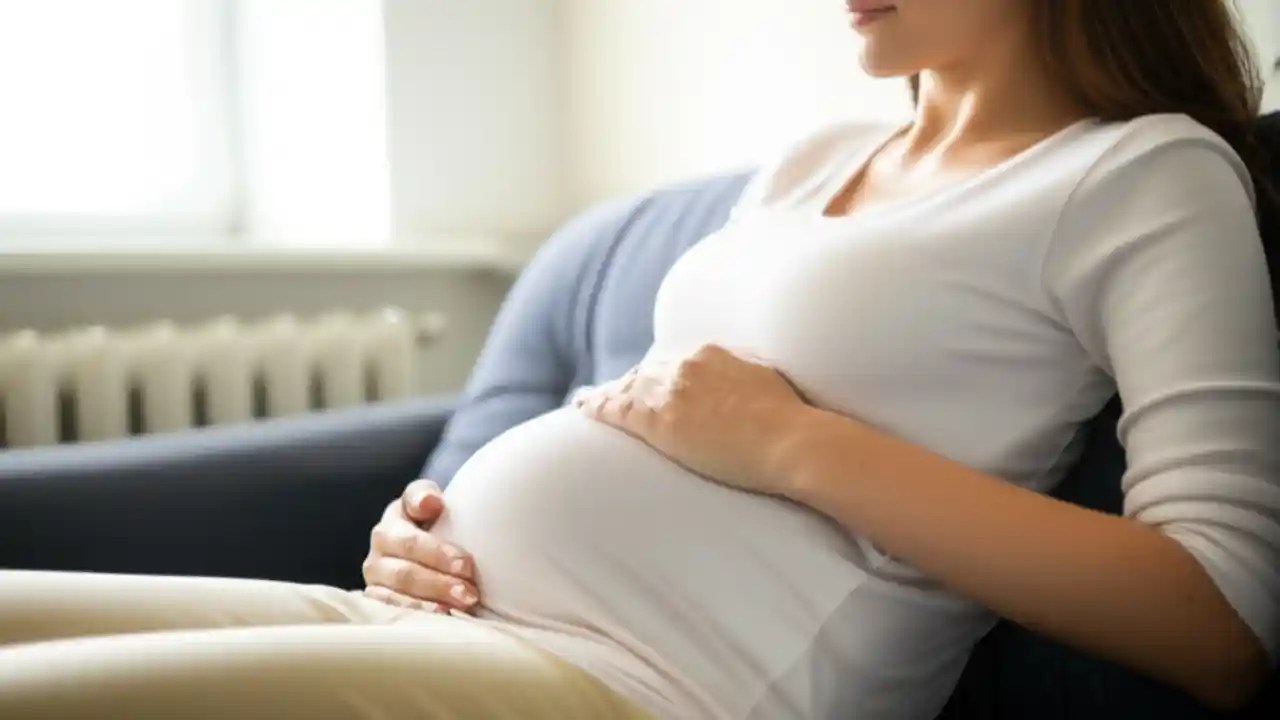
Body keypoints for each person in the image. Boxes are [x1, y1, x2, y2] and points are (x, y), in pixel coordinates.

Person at [3, 1, 1278, 718]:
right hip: (439, 618)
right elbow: (651, 422)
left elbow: (1217, 623)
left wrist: (794, 445)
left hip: (642, 687)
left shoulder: (1142, 174)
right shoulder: (815, 158)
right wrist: (427, 523)